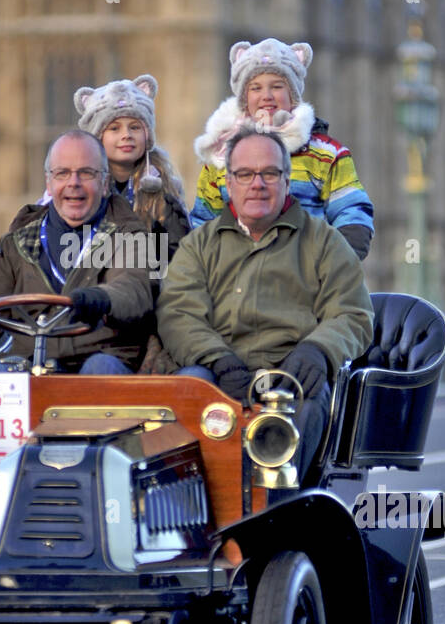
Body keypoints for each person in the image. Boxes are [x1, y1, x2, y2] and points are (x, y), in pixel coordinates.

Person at [157, 126, 373, 484]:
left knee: (308, 399)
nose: (257, 183)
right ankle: (194, 508)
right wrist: (218, 359)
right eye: (245, 174)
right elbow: (178, 314)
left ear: (287, 181)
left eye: (269, 173)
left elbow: (353, 312)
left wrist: (318, 349)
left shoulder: (325, 242)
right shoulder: (199, 245)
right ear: (228, 182)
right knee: (188, 388)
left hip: (292, 373)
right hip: (219, 373)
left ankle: (281, 509)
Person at [0, 130, 154, 378]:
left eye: (86, 173)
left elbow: (134, 288)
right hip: (30, 363)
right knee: (1, 377)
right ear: (49, 182)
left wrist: (100, 298)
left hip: (98, 359)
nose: (73, 183)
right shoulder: (18, 242)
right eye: (62, 173)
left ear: (104, 183)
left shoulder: (130, 234)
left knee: (99, 371)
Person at [190, 38, 374, 260]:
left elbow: (351, 212)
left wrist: (334, 263)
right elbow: (203, 222)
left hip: (307, 277)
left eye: (277, 86)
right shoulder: (220, 158)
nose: (266, 95)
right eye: (255, 88)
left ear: (293, 95)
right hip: (237, 279)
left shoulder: (326, 154)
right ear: (243, 99)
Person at [73, 75, 190, 267]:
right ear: (97, 138)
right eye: (114, 128)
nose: (126, 135)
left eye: (135, 127)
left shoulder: (166, 191)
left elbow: (179, 256)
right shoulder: (81, 191)